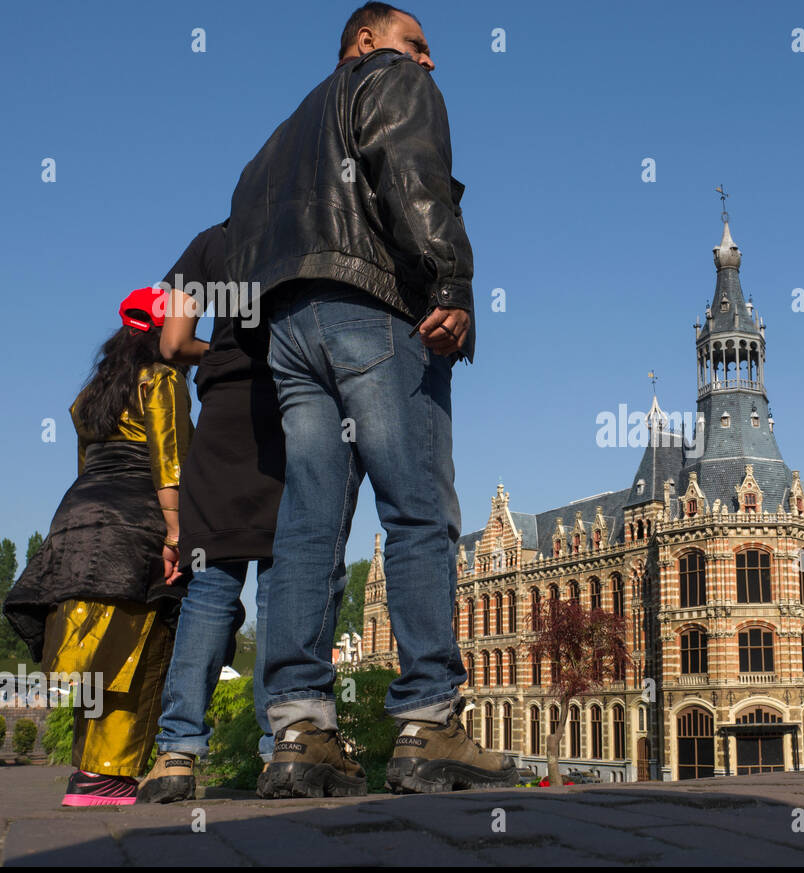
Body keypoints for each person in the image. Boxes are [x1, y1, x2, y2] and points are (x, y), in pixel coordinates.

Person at [226, 2, 516, 797]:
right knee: (418, 510)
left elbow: (239, 243)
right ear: (365, 42)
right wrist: (450, 281)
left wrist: (270, 333)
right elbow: (412, 176)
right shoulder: (387, 82)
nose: (427, 62)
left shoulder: (278, 141)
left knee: (309, 526)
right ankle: (428, 722)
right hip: (377, 311)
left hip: (291, 327)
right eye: (416, 44)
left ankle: (298, 731)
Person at [3, 289, 193, 806]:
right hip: (136, 522)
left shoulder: (91, 396)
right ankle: (108, 777)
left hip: (77, 522)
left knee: (98, 659)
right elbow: (170, 461)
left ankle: (86, 774)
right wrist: (176, 533)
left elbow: (84, 468)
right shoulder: (162, 378)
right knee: (136, 650)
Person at [136, 222, 284, 803]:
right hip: (287, 409)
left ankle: (177, 753)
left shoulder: (210, 243)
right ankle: (281, 749)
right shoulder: (296, 230)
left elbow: (172, 344)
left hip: (222, 418)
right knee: (282, 587)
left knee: (210, 590)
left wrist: (219, 351)